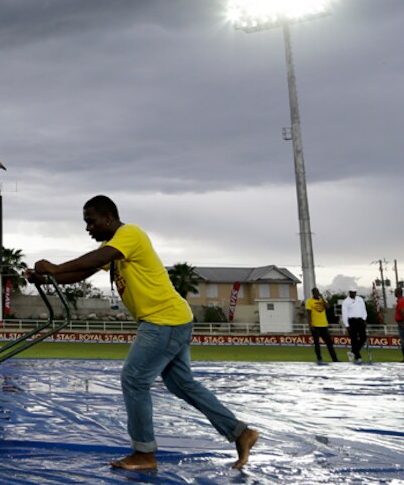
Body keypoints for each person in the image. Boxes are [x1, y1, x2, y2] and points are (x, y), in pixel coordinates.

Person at [27, 195, 259, 472]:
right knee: (181, 384)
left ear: (108, 219)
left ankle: (144, 453)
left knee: (134, 379)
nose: (87, 228)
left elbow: (98, 257)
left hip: (164, 320)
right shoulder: (113, 248)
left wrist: (55, 267)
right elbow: (83, 271)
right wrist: (47, 278)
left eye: (91, 221)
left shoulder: (129, 234)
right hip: (171, 319)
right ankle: (241, 433)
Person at [305, 287, 339, 363]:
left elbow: (328, 307)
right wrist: (310, 324)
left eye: (318, 292)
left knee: (329, 342)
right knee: (317, 343)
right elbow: (308, 313)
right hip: (315, 325)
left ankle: (335, 358)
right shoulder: (309, 301)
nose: (317, 294)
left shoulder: (322, 300)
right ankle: (319, 358)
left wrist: (322, 298)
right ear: (313, 293)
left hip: (324, 325)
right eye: (315, 293)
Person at [340, 289, 368, 363]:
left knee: (363, 338)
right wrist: (346, 324)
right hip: (352, 321)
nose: (354, 294)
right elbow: (344, 314)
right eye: (352, 293)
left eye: (355, 292)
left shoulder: (360, 299)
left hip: (360, 320)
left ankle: (352, 353)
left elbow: (364, 310)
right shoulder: (346, 301)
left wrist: (364, 319)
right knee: (354, 339)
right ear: (349, 293)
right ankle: (358, 357)